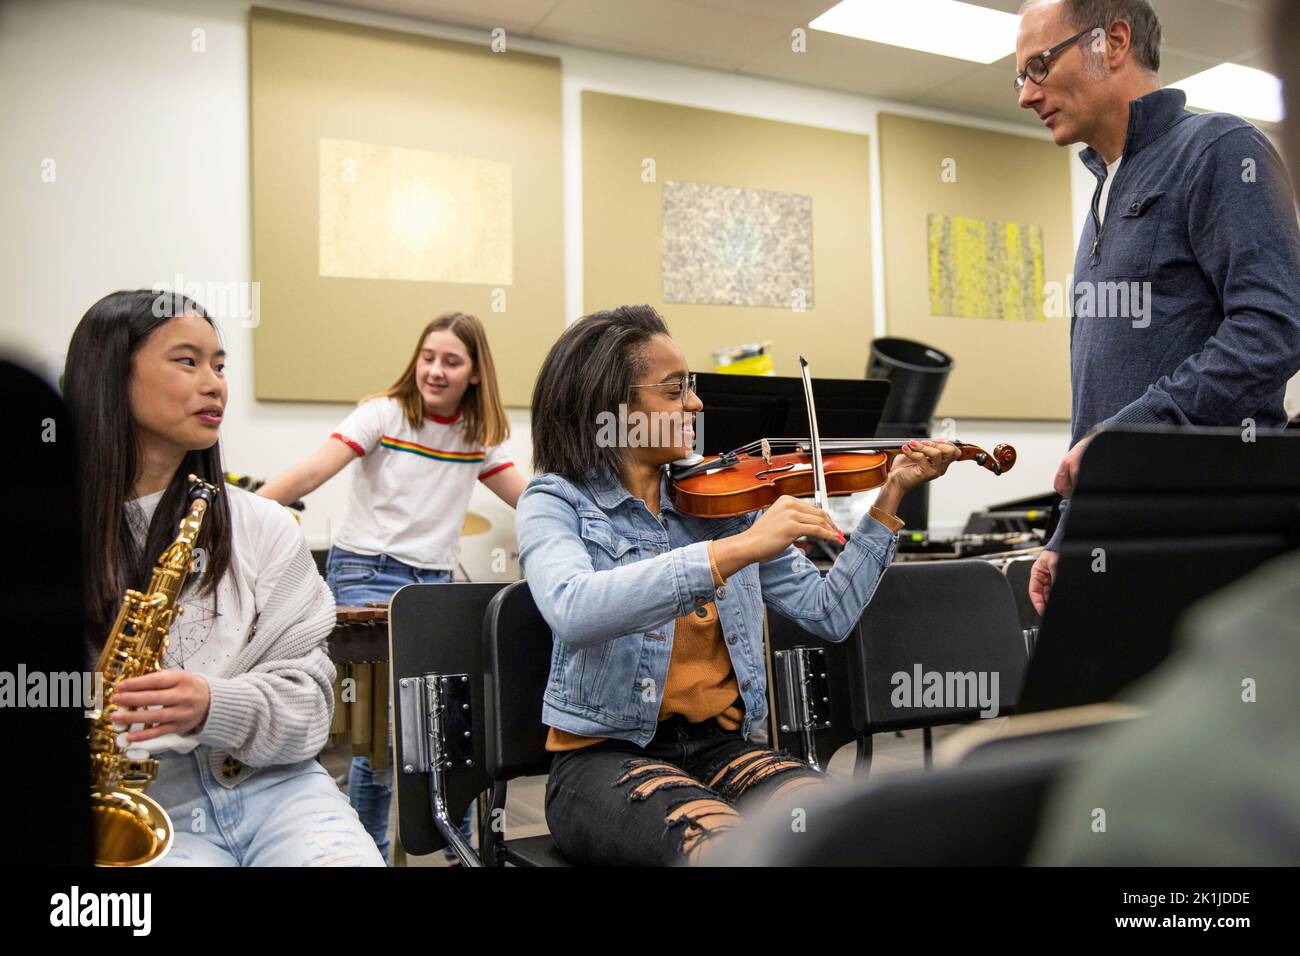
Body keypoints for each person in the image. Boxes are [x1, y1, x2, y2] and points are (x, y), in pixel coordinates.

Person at [516, 304, 959, 865]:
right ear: (612, 406)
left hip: (722, 747)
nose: (697, 405)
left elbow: (828, 611)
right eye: (676, 391)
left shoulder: (722, 499)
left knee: (847, 836)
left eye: (692, 388)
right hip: (602, 760)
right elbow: (573, 607)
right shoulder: (556, 501)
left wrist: (889, 498)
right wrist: (735, 550)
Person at [64, 289, 382, 866]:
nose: (215, 384)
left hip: (280, 792)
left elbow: (312, 708)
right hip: (141, 806)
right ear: (111, 376)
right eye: (188, 361)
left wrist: (215, 705)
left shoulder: (263, 526)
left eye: (220, 365)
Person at [1014, 0, 1300, 613]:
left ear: (1112, 42)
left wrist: (1129, 438)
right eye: (1020, 76)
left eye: (1038, 65)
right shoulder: (1104, 194)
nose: (1026, 94)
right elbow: (1104, 394)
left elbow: (1276, 327)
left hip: (1206, 534)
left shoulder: (1220, 149)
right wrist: (1070, 531)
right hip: (1118, 534)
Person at [258, 311, 525, 863]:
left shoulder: (477, 436)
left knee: (450, 729)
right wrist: (241, 513)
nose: (434, 370)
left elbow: (532, 500)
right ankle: (367, 854)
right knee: (381, 742)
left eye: (451, 361)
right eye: (428, 357)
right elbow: (310, 474)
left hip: (432, 585)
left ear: (475, 373)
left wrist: (591, 520)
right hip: (366, 573)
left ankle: (460, 851)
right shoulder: (383, 413)